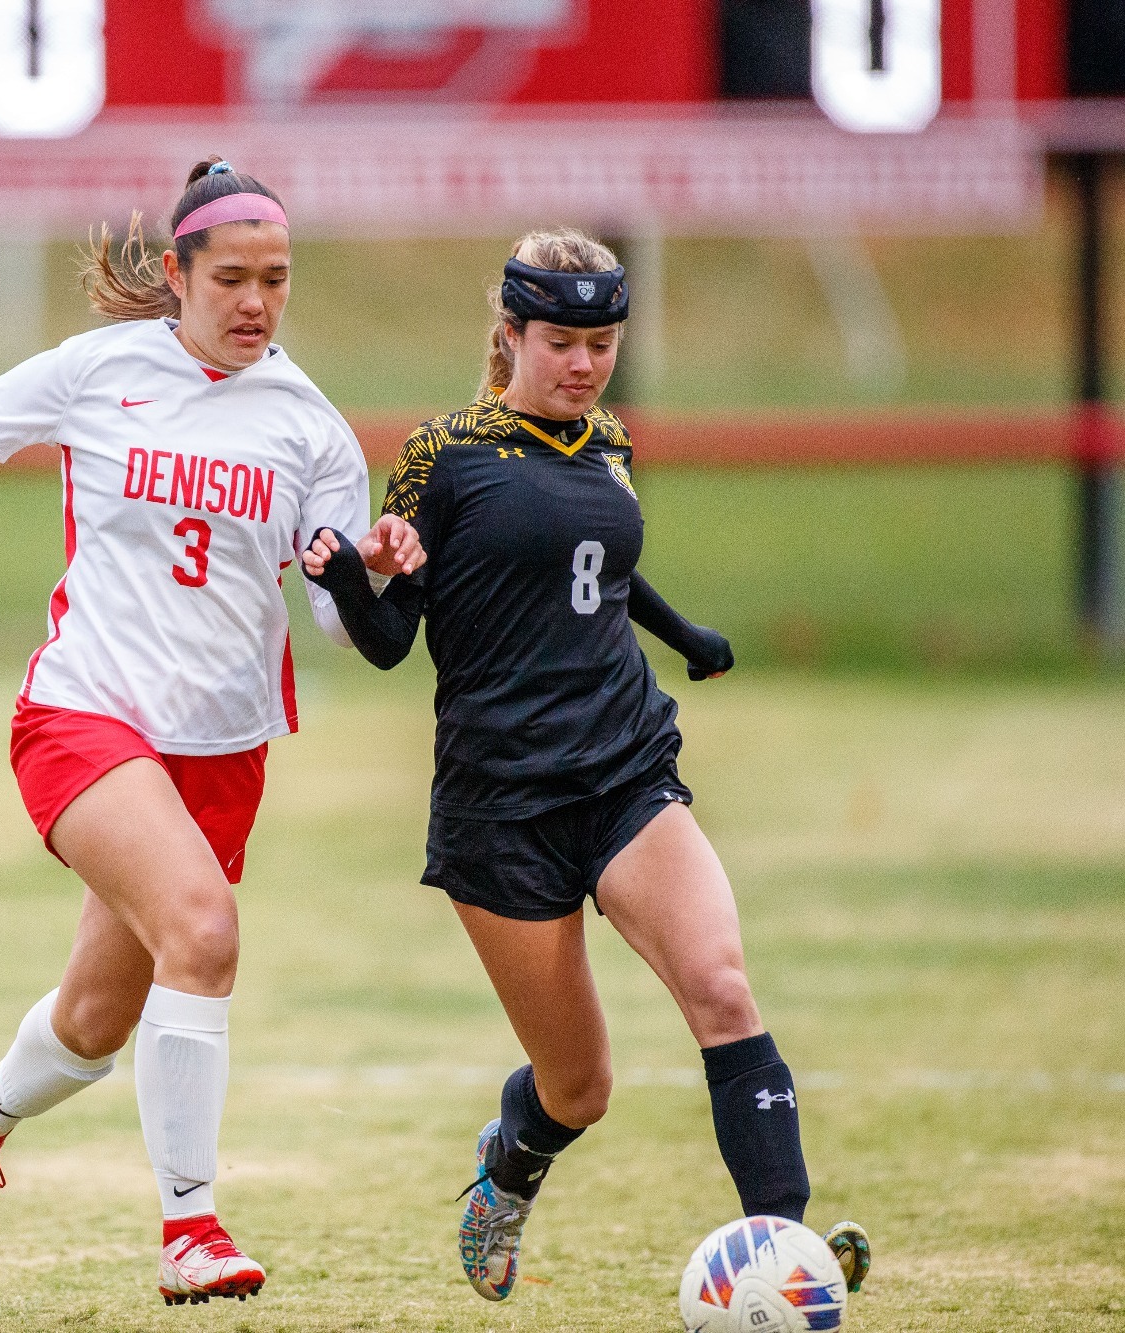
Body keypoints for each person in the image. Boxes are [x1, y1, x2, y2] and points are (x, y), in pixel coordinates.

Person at [0, 159, 422, 1307]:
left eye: (274, 279)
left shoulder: (313, 432)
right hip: (81, 714)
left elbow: (344, 626)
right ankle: (190, 1227)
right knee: (204, 924)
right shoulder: (100, 370)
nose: (254, 300)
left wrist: (375, 569)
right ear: (178, 274)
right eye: (230, 276)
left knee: (94, 1023)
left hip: (221, 751)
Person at [301, 228, 872, 1305]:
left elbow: (601, 566)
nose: (582, 363)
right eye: (560, 341)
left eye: (601, 341)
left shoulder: (604, 438)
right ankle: (506, 1171)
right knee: (578, 1084)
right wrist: (342, 572)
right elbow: (387, 643)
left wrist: (685, 633)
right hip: (499, 804)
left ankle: (781, 1251)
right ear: (508, 334)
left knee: (720, 987)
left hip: (622, 768)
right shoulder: (443, 454)